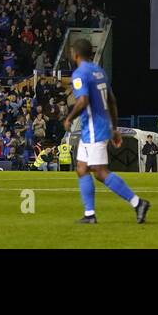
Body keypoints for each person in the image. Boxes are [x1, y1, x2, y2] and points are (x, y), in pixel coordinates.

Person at [61, 38, 149, 224]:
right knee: (82, 168)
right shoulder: (99, 71)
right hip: (95, 127)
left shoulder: (80, 74)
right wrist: (114, 128)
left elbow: (83, 100)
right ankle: (90, 214)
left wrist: (69, 117)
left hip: (94, 128)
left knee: (100, 171)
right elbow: (112, 100)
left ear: (76, 54)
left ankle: (137, 202)